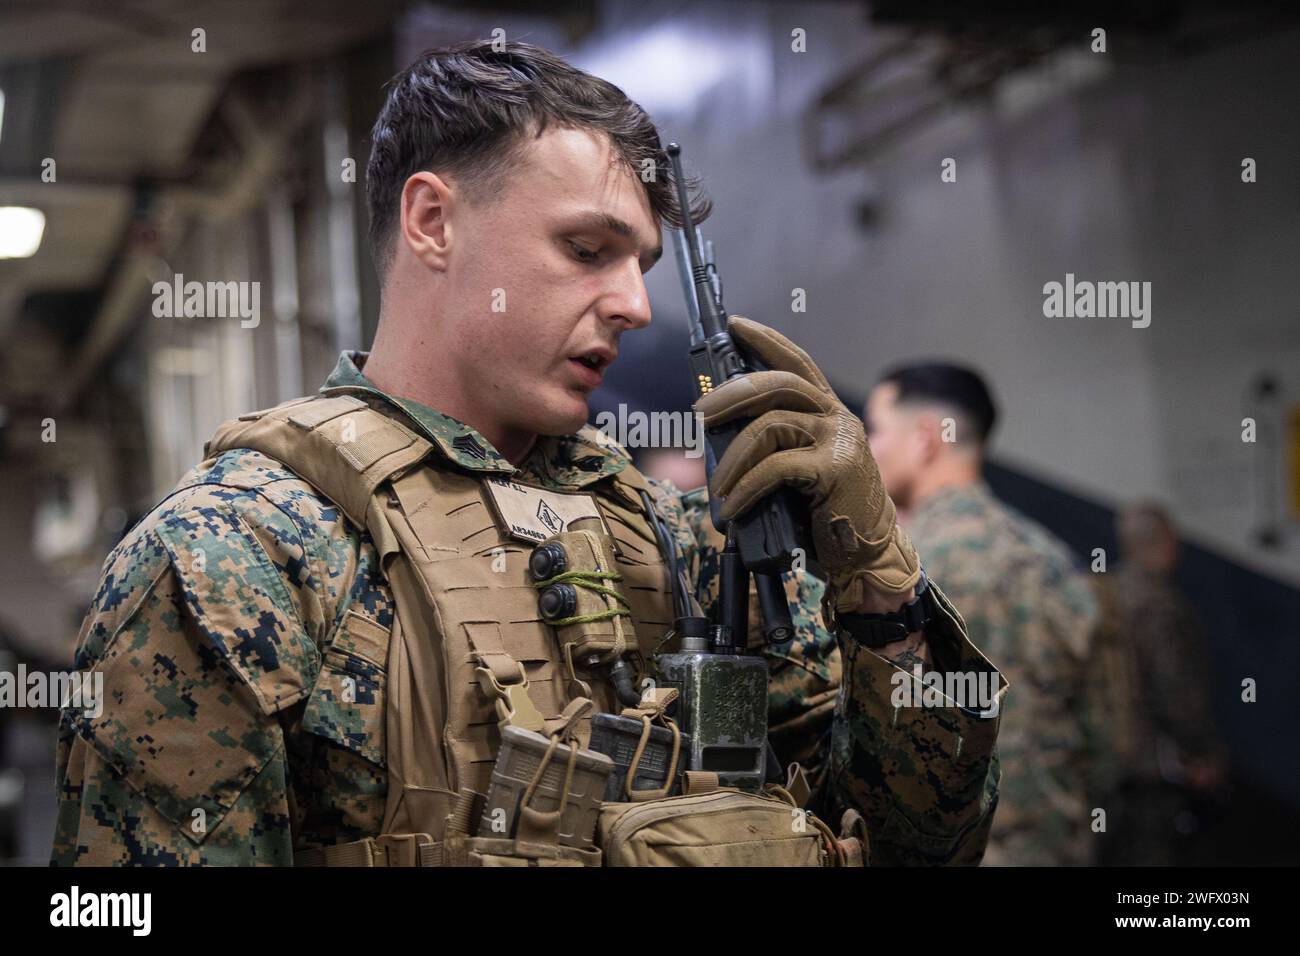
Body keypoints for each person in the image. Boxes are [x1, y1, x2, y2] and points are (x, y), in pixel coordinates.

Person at [52, 41, 1001, 867]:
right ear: (432, 221)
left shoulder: (689, 547)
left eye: (643, 267)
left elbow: (926, 846)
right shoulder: (239, 555)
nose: (634, 305)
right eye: (588, 249)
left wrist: (878, 585)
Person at [865, 362, 1099, 865]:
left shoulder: (896, 576)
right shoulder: (1053, 559)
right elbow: (1107, 732)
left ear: (926, 438)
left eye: (876, 429)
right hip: (1056, 846)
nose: (868, 447)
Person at [1093, 502, 1227, 866]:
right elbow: (1175, 692)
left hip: (1102, 763)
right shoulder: (1160, 606)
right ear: (1167, 541)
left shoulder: (1102, 597)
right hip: (1155, 769)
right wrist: (1200, 753)